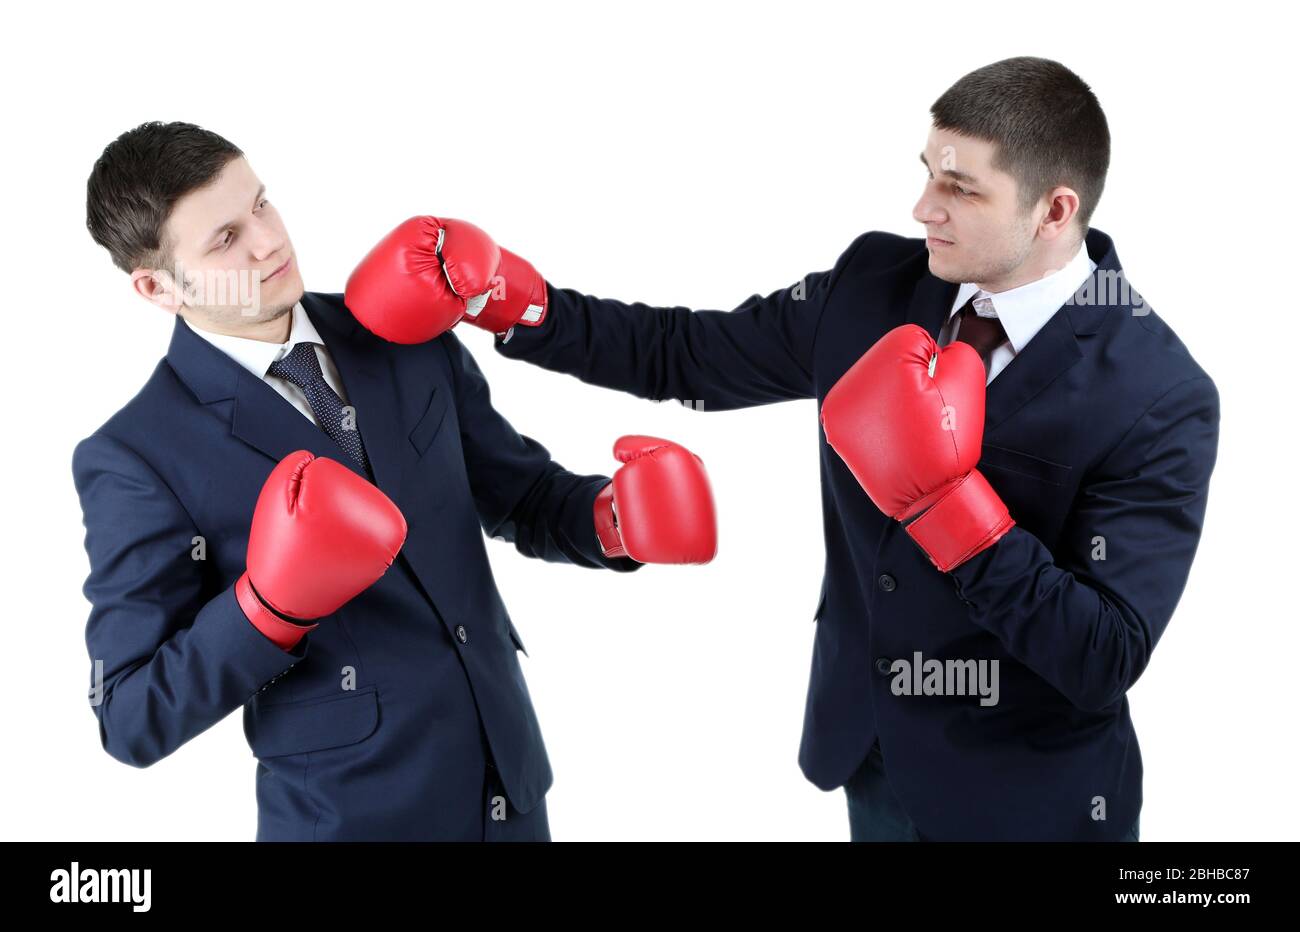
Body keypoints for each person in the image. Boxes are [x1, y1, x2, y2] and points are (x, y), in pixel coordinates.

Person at [363, 57, 1219, 841]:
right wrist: (518, 304)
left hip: (1031, 798)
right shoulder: (878, 283)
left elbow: (1103, 656)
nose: (924, 207)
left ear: (1055, 209)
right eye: (927, 172)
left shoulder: (1158, 392)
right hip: (869, 752)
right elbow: (687, 352)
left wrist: (946, 507)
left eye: (960, 188)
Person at [73, 121, 717, 842]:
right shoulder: (137, 453)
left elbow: (520, 495)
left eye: (261, 203)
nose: (268, 240)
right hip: (351, 821)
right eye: (225, 239)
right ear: (157, 287)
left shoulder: (396, 331)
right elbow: (130, 716)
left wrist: (611, 519)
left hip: (510, 788)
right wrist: (266, 609)